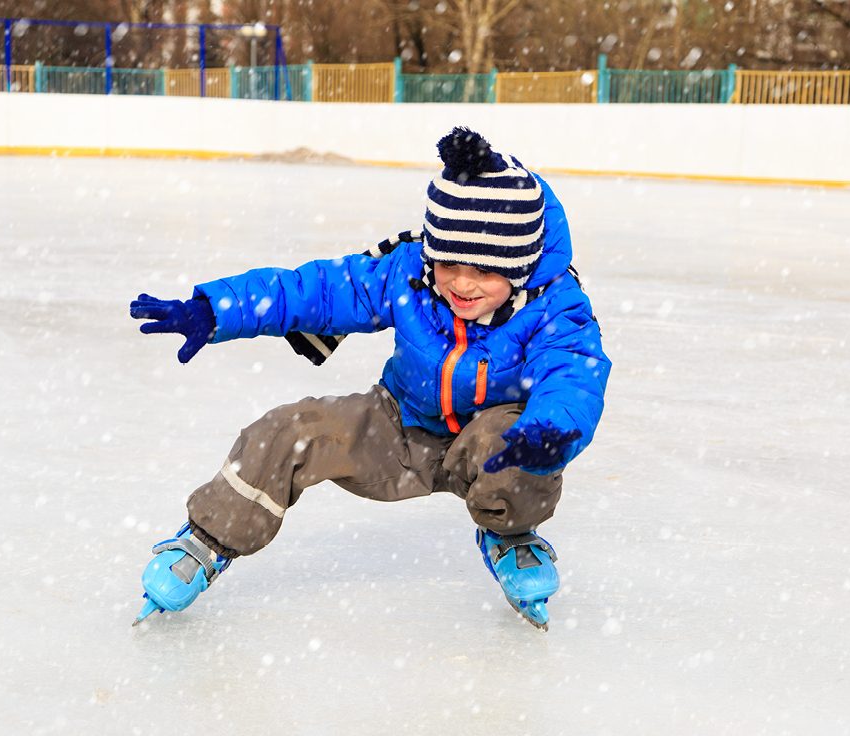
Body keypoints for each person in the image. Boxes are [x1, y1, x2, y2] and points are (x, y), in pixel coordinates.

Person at [129, 126, 611, 631]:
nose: (462, 284)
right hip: (400, 423)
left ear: (519, 266)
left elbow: (573, 376)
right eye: (449, 262)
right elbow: (317, 290)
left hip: (489, 437)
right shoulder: (409, 272)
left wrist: (550, 431)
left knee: (517, 447)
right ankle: (209, 539)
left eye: (485, 270)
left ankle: (511, 533)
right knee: (289, 430)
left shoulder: (555, 306)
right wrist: (217, 309)